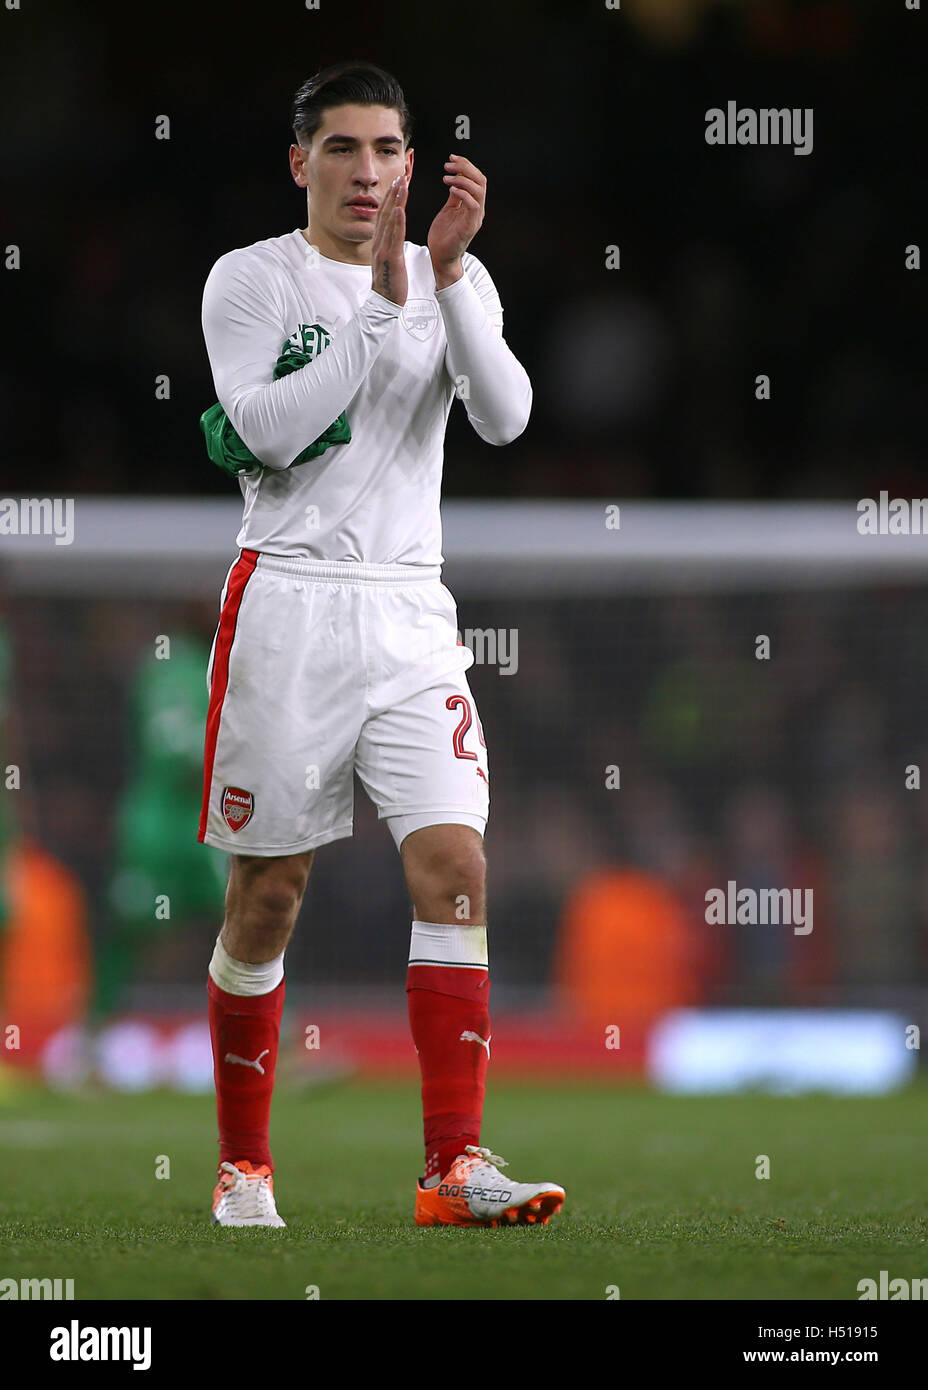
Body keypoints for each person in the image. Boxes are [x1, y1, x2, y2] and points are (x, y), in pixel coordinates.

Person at [198, 60, 564, 1228]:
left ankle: (452, 1167)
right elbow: (267, 431)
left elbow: (505, 417)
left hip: (410, 608)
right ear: (299, 160)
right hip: (289, 602)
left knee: (456, 865)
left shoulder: (458, 277)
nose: (369, 171)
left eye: (389, 149)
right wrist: (384, 304)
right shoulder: (251, 280)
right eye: (344, 148)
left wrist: (447, 276)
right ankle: (243, 1166)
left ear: (415, 163)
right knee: (268, 897)